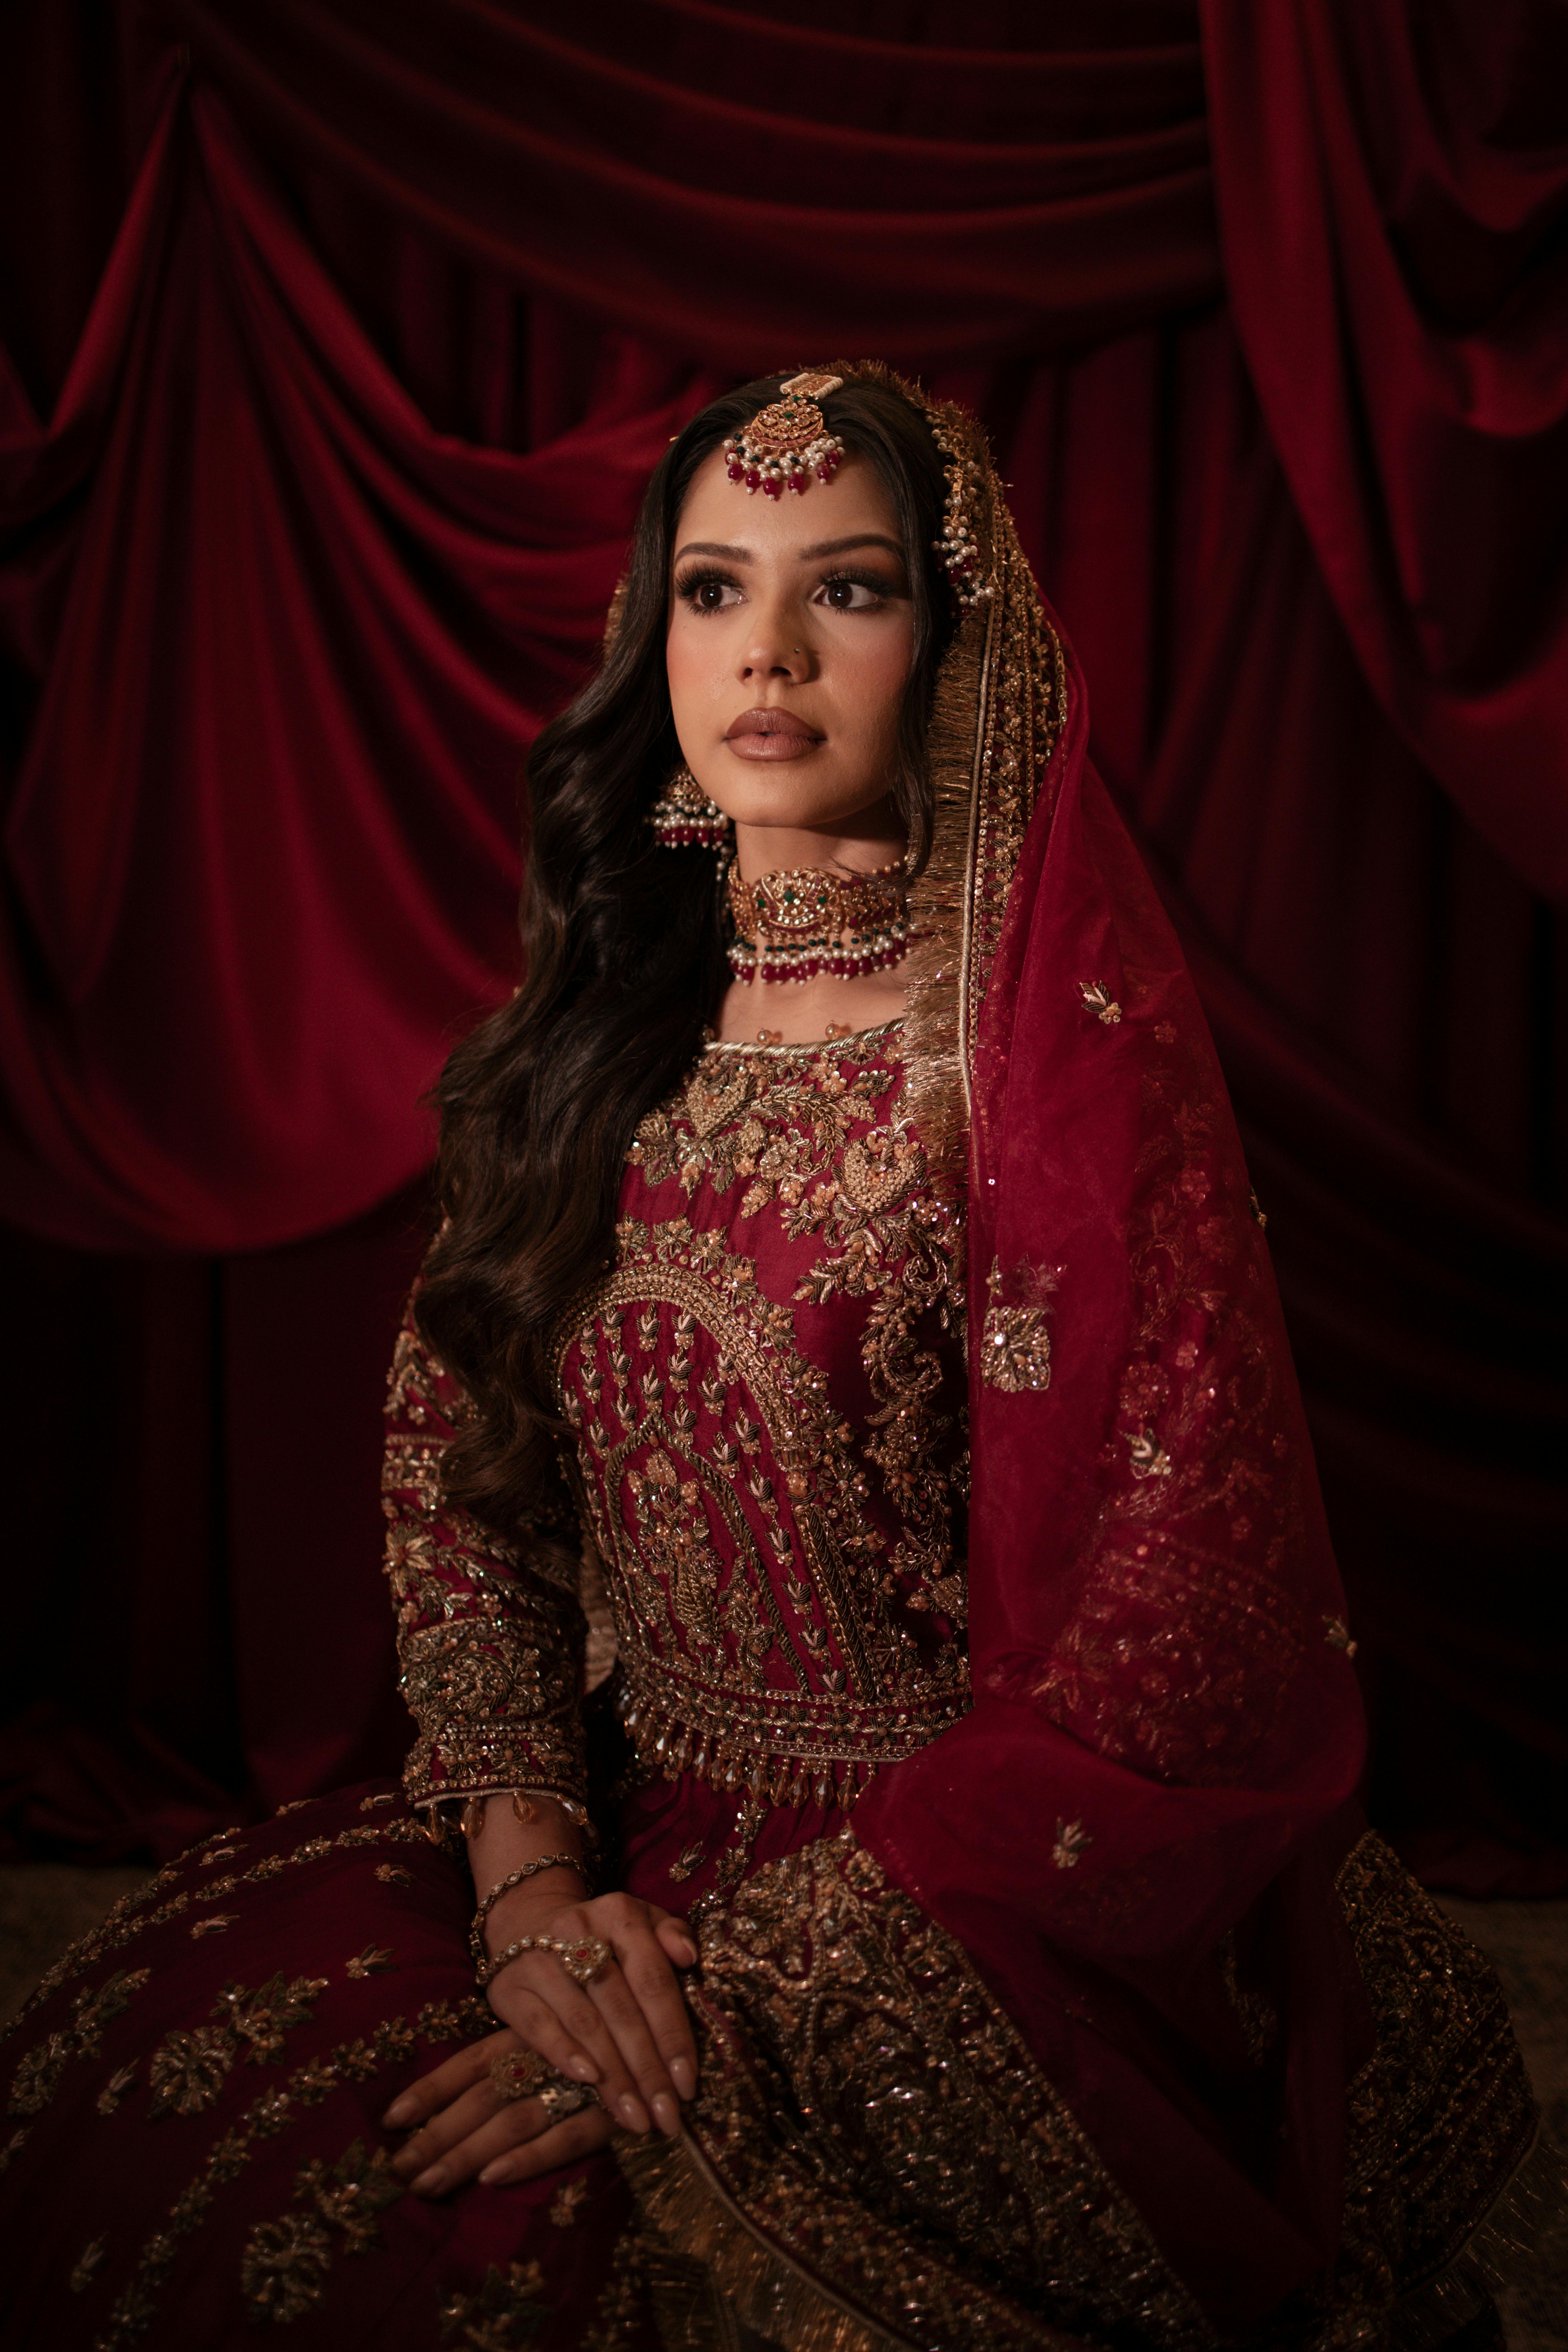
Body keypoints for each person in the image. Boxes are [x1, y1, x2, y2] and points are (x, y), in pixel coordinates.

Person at [0, 366, 1553, 2352]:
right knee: (155, 2119)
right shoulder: (592, 1041)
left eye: (857, 588)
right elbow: (466, 1501)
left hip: (977, 1928)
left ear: (954, 641)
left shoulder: (1043, 1075)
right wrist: (536, 1897)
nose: (774, 650)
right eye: (719, 590)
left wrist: (732, 2004)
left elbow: (1167, 1658)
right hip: (608, 1855)